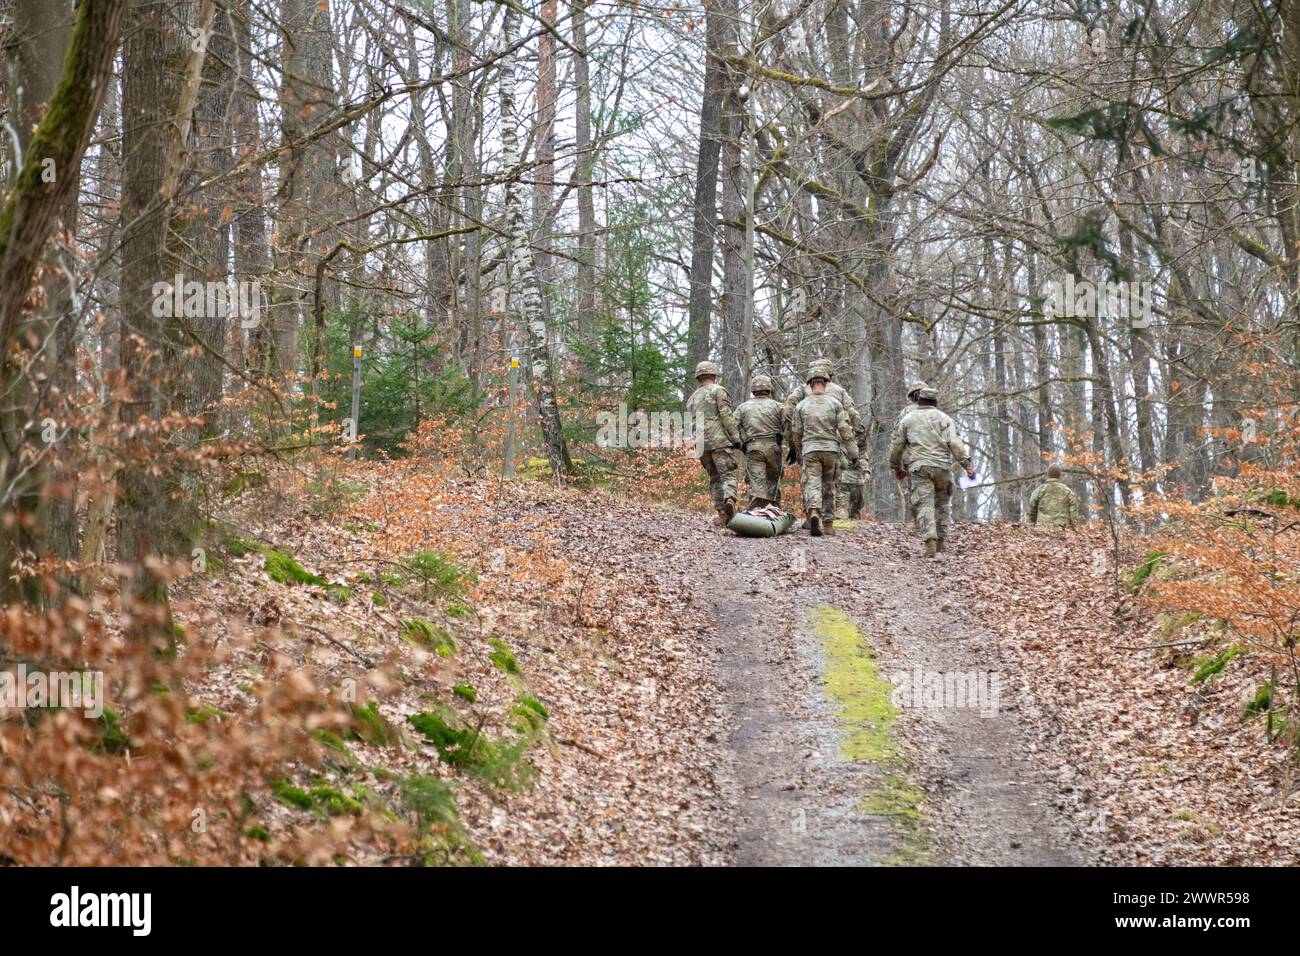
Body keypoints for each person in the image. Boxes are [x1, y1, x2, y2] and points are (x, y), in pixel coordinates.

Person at [888, 385, 973, 558]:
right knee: (942, 505)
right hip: (942, 467)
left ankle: (930, 541)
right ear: (935, 401)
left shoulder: (908, 419)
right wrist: (967, 466)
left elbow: (896, 447)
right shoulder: (945, 419)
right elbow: (955, 444)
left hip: (919, 467)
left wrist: (897, 467)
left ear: (919, 400)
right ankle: (941, 543)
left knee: (924, 503)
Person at [782, 359, 868, 518]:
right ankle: (830, 517)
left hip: (808, 442)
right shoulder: (840, 392)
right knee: (831, 481)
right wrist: (858, 441)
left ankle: (811, 514)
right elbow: (853, 417)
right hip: (834, 442)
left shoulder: (802, 391)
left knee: (809, 479)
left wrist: (792, 444)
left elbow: (788, 411)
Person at [791, 368, 858, 537]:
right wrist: (853, 454)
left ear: (810, 384)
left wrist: (800, 449)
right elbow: (845, 430)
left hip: (810, 449)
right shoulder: (835, 404)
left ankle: (814, 511)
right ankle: (828, 523)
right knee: (830, 485)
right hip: (831, 449)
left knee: (813, 481)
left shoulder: (801, 405)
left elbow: (796, 432)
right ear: (825, 383)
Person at [686, 360, 743, 526]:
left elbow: (691, 423)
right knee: (729, 474)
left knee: (714, 478)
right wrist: (736, 438)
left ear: (698, 377)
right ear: (714, 375)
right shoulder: (719, 391)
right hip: (719, 441)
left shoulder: (692, 398)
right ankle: (730, 501)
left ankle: (722, 514)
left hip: (701, 444)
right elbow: (726, 416)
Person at [735, 374, 784, 508]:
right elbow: (789, 426)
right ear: (769, 389)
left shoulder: (743, 407)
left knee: (757, 484)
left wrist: (741, 442)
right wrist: (790, 444)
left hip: (753, 447)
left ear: (753, 390)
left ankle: (756, 511)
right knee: (773, 483)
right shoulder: (778, 407)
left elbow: (732, 426)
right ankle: (774, 510)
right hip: (774, 447)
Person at [894, 381, 927, 525]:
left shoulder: (905, 413)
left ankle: (917, 521)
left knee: (914, 488)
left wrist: (896, 461)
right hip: (930, 456)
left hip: (911, 457)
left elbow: (896, 436)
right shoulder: (933, 412)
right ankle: (927, 520)